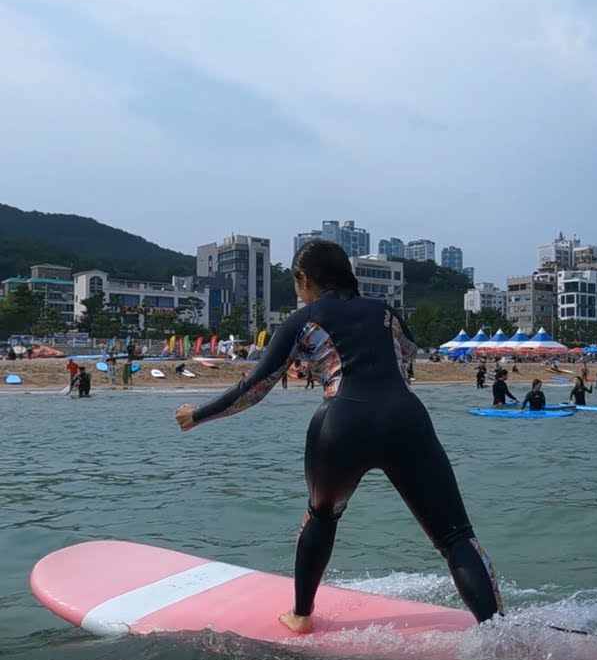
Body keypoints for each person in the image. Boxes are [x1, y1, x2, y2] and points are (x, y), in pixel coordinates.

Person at [173, 239, 503, 634]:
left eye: (297, 282)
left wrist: (198, 415)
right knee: (456, 537)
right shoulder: (386, 312)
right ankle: (500, 634)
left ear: (305, 278)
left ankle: (300, 615)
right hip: (406, 420)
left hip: (342, 424)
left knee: (322, 515)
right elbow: (410, 351)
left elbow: (255, 388)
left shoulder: (303, 320)